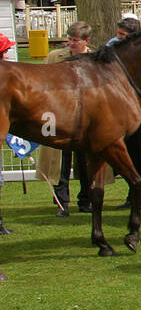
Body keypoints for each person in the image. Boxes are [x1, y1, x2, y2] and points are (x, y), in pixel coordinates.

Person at [38, 21, 94, 216]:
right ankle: (63, 202)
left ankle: (86, 200)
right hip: (59, 115)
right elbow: (42, 81)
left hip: (84, 117)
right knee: (61, 161)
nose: (70, 43)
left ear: (86, 41)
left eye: (75, 41)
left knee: (86, 161)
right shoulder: (55, 57)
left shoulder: (94, 59)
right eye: (69, 39)